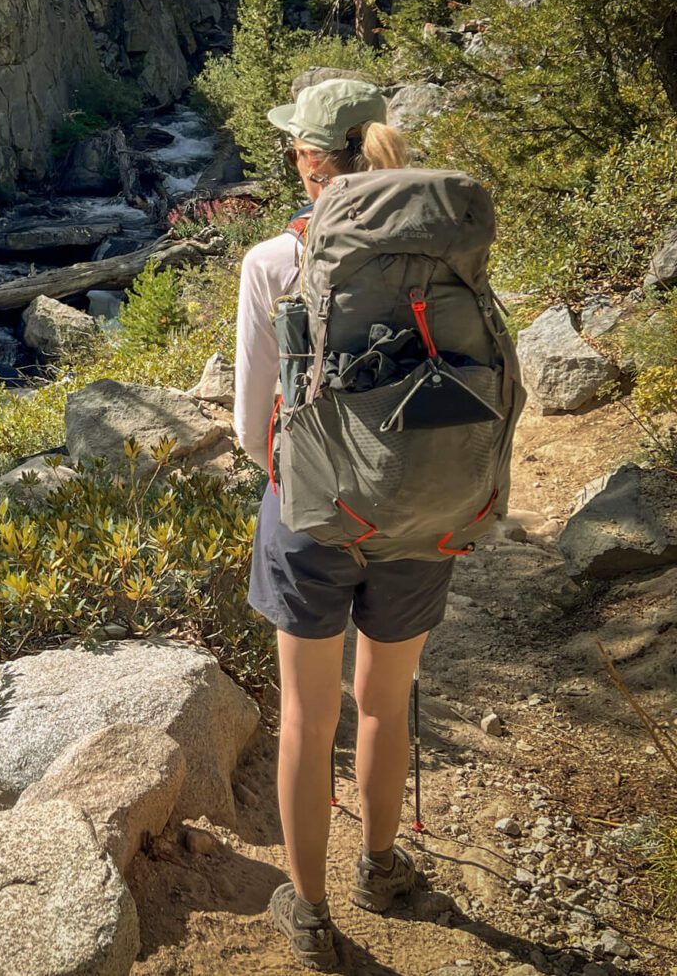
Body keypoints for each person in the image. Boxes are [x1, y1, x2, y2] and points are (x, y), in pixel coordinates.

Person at [234, 78, 447, 971]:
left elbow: (254, 430)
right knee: (386, 706)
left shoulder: (272, 261)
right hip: (418, 513)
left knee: (306, 721)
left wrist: (306, 480)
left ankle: (312, 912)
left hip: (312, 517)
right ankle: (383, 868)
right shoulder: (443, 245)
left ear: (309, 160)